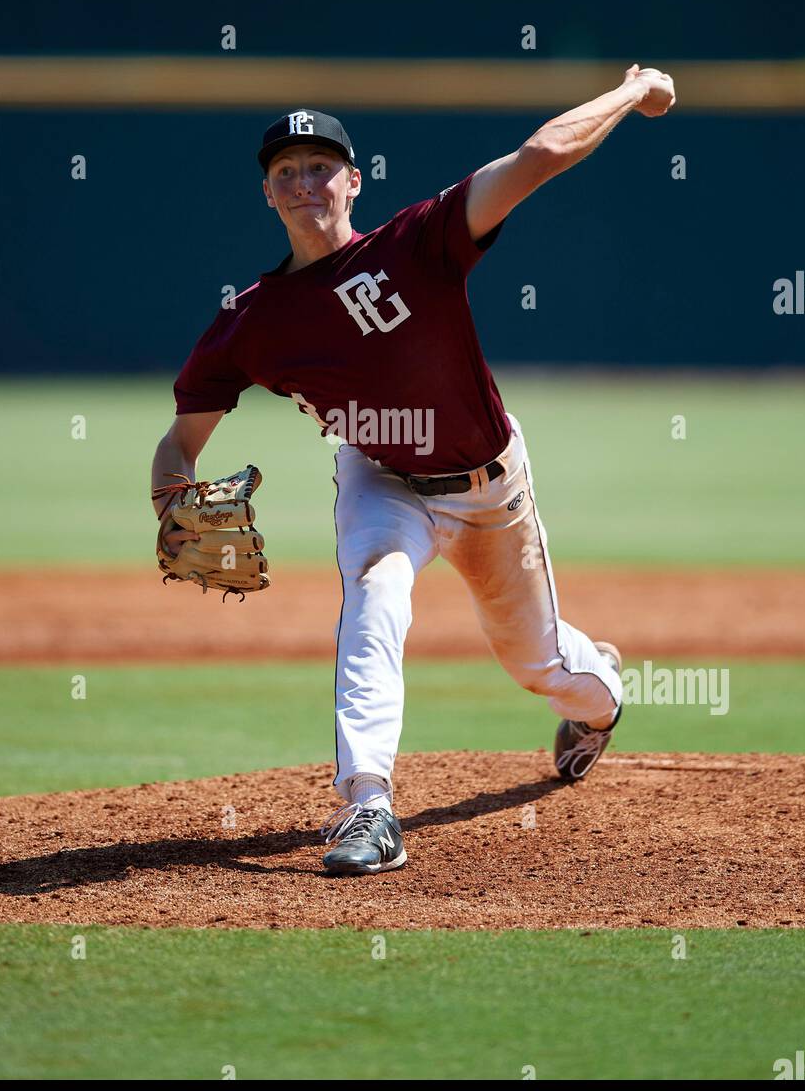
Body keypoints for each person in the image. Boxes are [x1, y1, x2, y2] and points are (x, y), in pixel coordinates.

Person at [151, 67, 676, 876]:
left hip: (489, 486)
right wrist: (171, 503)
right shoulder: (250, 322)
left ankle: (602, 694)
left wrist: (630, 90)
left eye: (320, 166)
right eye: (285, 171)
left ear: (354, 181)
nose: (303, 182)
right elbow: (181, 440)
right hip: (381, 480)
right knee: (375, 593)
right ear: (267, 194)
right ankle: (367, 805)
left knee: (538, 663)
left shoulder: (418, 244)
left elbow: (539, 156)